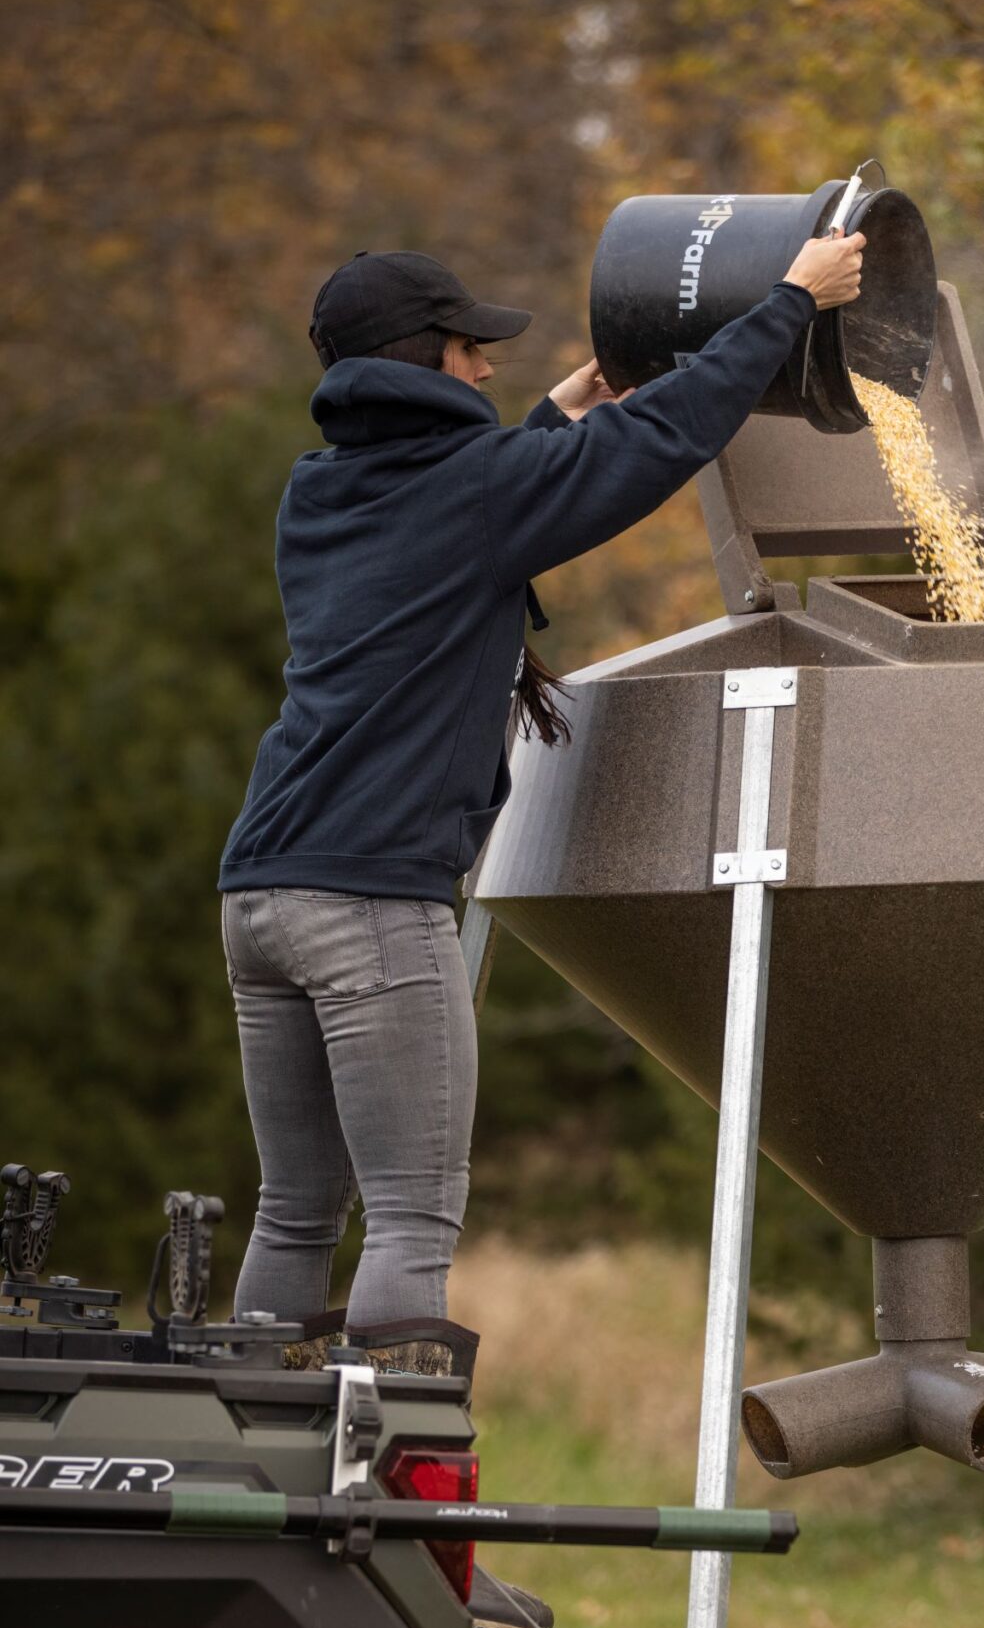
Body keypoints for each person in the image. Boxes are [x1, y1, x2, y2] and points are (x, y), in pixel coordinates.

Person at [219, 232, 863, 1384]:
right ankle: (388, 1509)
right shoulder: (474, 491)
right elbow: (663, 438)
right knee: (412, 1218)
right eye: (473, 352)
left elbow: (450, 523)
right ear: (426, 362)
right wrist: (785, 302)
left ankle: (260, 1476)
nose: (488, 372)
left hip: (261, 890)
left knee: (295, 1217)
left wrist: (553, 430)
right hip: (373, 899)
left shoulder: (315, 493)